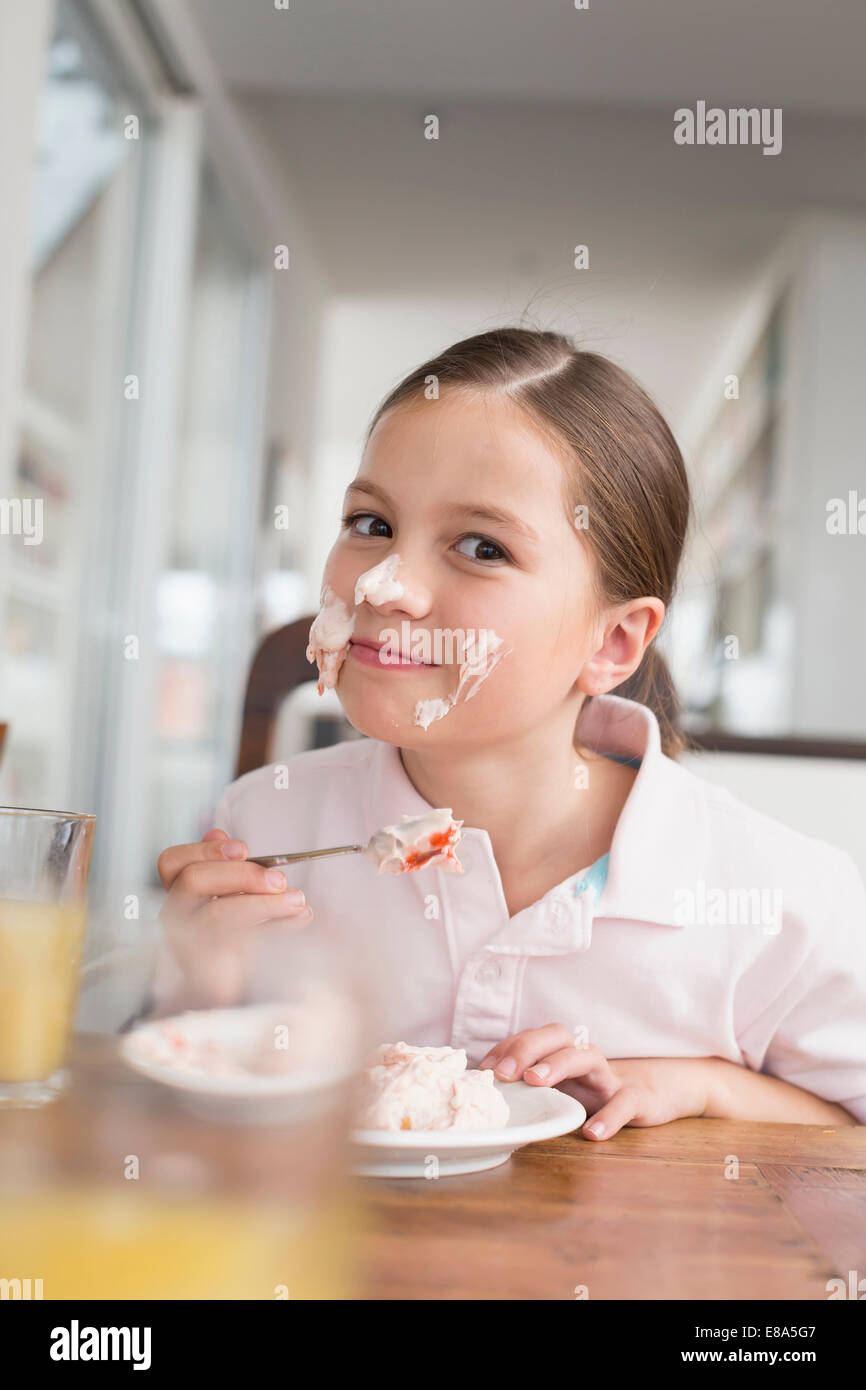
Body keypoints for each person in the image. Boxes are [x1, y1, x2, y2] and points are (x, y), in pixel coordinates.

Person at [156, 326, 866, 1137]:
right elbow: (177, 1121)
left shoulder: (780, 899)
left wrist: (709, 1087)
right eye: (372, 523)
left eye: (480, 546)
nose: (388, 586)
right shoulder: (268, 827)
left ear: (613, 643)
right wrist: (197, 987)